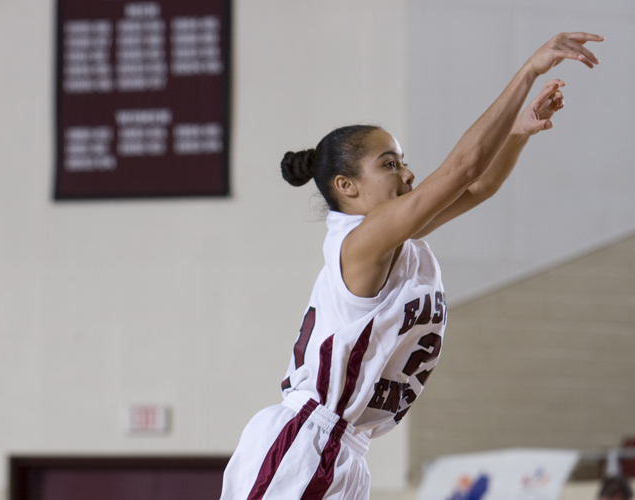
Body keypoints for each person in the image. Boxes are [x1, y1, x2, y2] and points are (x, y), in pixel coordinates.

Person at [220, 32, 604, 500]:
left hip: (345, 450)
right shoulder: (360, 243)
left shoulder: (395, 241)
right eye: (389, 164)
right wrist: (529, 71)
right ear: (346, 186)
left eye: (403, 161)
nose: (408, 174)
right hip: (306, 443)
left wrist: (518, 133)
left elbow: (477, 188)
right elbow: (463, 169)